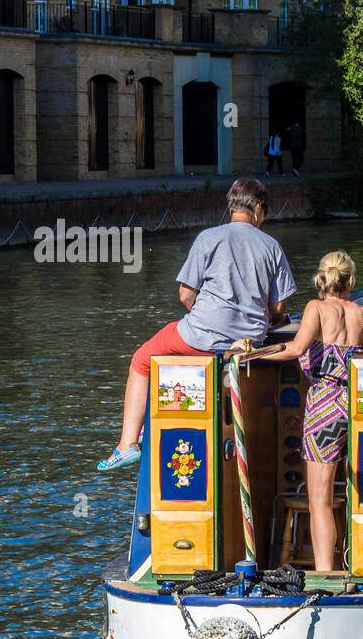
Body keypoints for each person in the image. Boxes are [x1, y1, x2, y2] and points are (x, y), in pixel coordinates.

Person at [97, 178, 296, 471]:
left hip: (201, 337)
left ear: (232, 206)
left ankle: (128, 443)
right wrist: (264, 320)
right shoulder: (272, 247)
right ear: (258, 209)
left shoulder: (208, 238)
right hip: (248, 343)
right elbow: (279, 309)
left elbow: (185, 294)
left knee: (141, 360)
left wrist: (205, 315)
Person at [240, 251, 363, 572]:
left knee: (320, 502)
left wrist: (253, 356)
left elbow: (296, 349)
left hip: (324, 407)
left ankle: (325, 574)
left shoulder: (316, 308)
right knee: (361, 493)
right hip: (355, 403)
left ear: (320, 281)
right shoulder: (360, 313)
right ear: (350, 280)